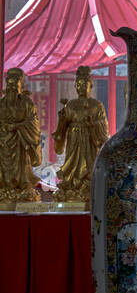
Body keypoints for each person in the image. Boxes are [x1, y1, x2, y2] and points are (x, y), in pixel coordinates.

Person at [52, 64, 109, 203]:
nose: (81, 87)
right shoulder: (70, 105)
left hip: (90, 140)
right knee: (72, 164)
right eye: (78, 84)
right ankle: (71, 183)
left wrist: (93, 125)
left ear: (91, 86)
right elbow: (63, 127)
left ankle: (88, 184)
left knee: (89, 165)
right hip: (74, 140)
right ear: (75, 86)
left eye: (85, 84)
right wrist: (62, 119)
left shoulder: (97, 105)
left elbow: (103, 128)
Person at [0, 67, 41, 203]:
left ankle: (22, 186)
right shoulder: (1, 104)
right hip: (3, 143)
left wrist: (17, 126)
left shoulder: (27, 104)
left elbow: (33, 124)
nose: (12, 87)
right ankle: (5, 187)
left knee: (21, 168)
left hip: (21, 143)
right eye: (9, 84)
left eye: (15, 84)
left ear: (21, 85)